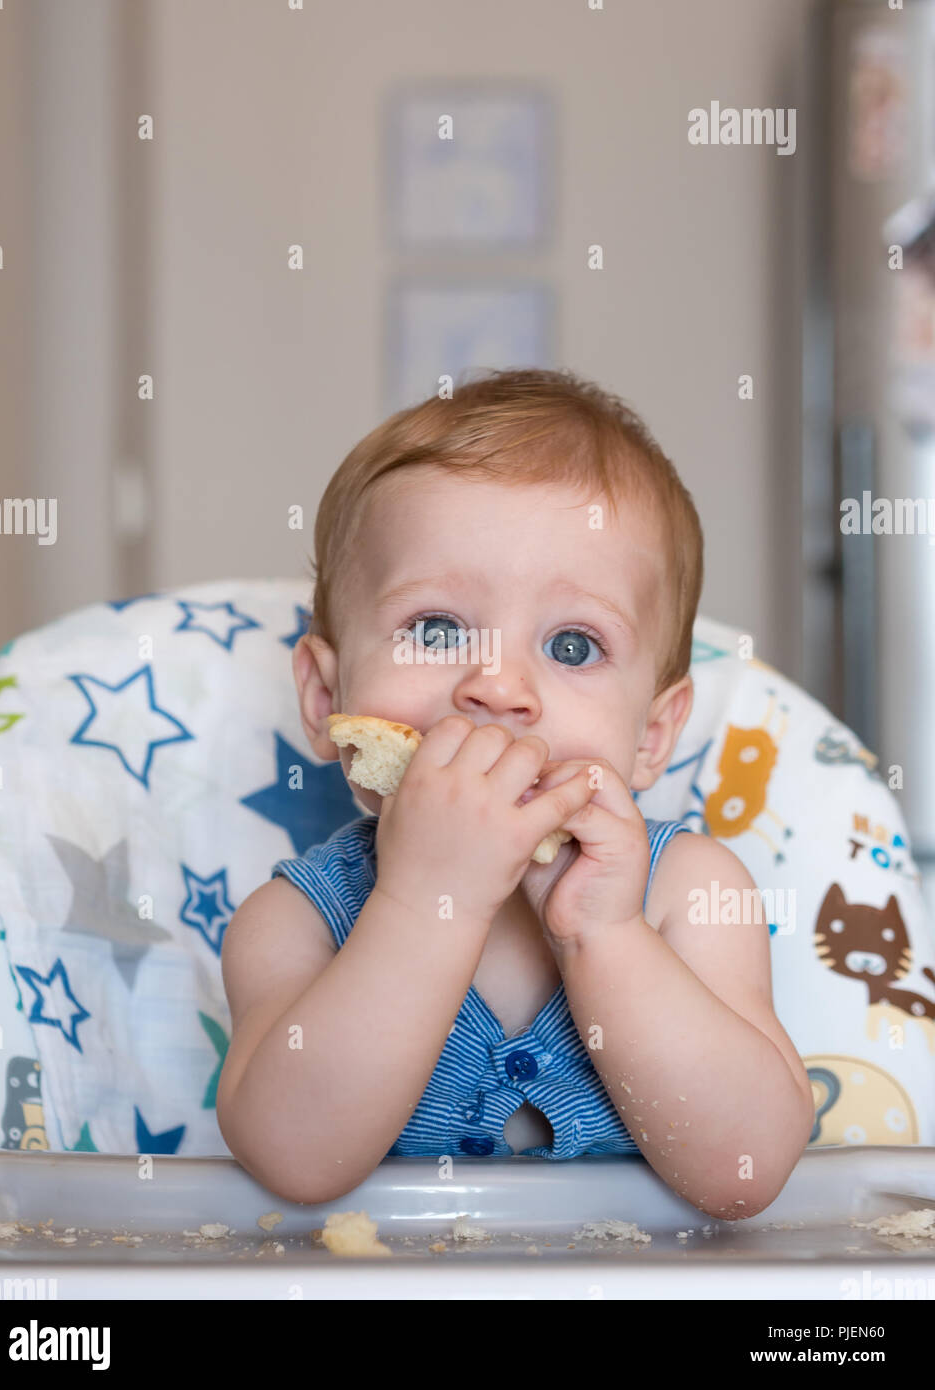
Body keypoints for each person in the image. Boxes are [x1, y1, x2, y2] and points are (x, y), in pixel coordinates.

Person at [216, 367, 814, 1219]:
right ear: (325, 700)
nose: (498, 687)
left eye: (572, 646)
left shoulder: (693, 893)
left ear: (651, 734)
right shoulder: (298, 924)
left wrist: (604, 934)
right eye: (435, 629)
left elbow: (747, 1170)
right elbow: (294, 1158)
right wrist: (431, 902)